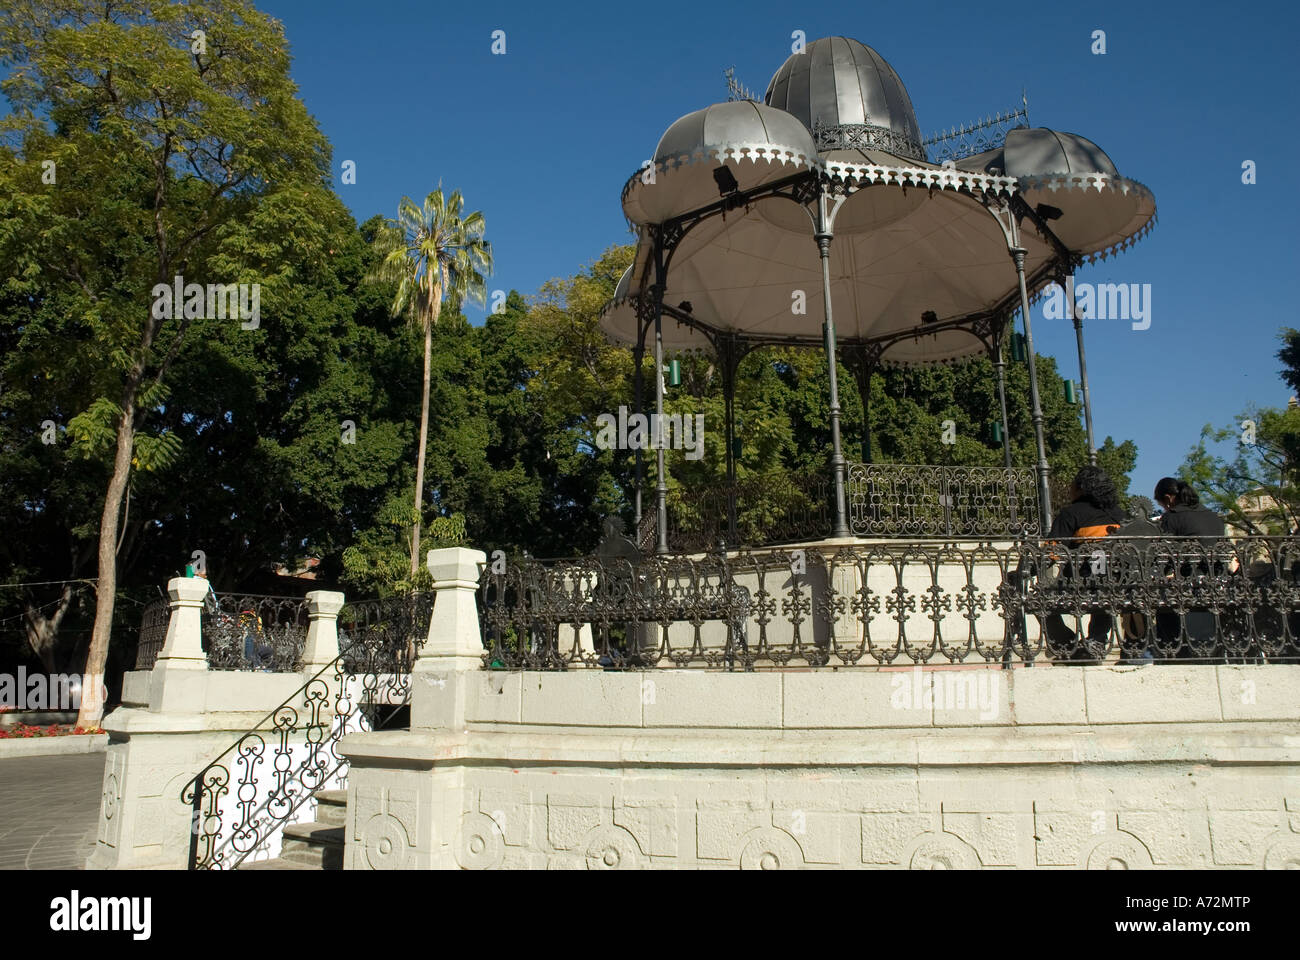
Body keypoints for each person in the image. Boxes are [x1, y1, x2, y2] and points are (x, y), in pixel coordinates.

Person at [1042, 466, 1127, 662]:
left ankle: (1066, 643)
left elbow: (1050, 551)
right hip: (1121, 586)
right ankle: (1097, 639)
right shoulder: (1121, 515)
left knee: (1041, 600)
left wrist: (1025, 570)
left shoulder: (1072, 513)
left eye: (1072, 485)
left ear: (1081, 488)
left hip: (1079, 585)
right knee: (1105, 588)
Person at [1152, 478, 1226, 656]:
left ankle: (1173, 651)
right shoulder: (1213, 516)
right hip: (1217, 581)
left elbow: (1164, 555)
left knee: (1161, 605)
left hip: (1187, 583)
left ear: (1169, 498)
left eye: (1162, 503)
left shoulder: (1172, 517)